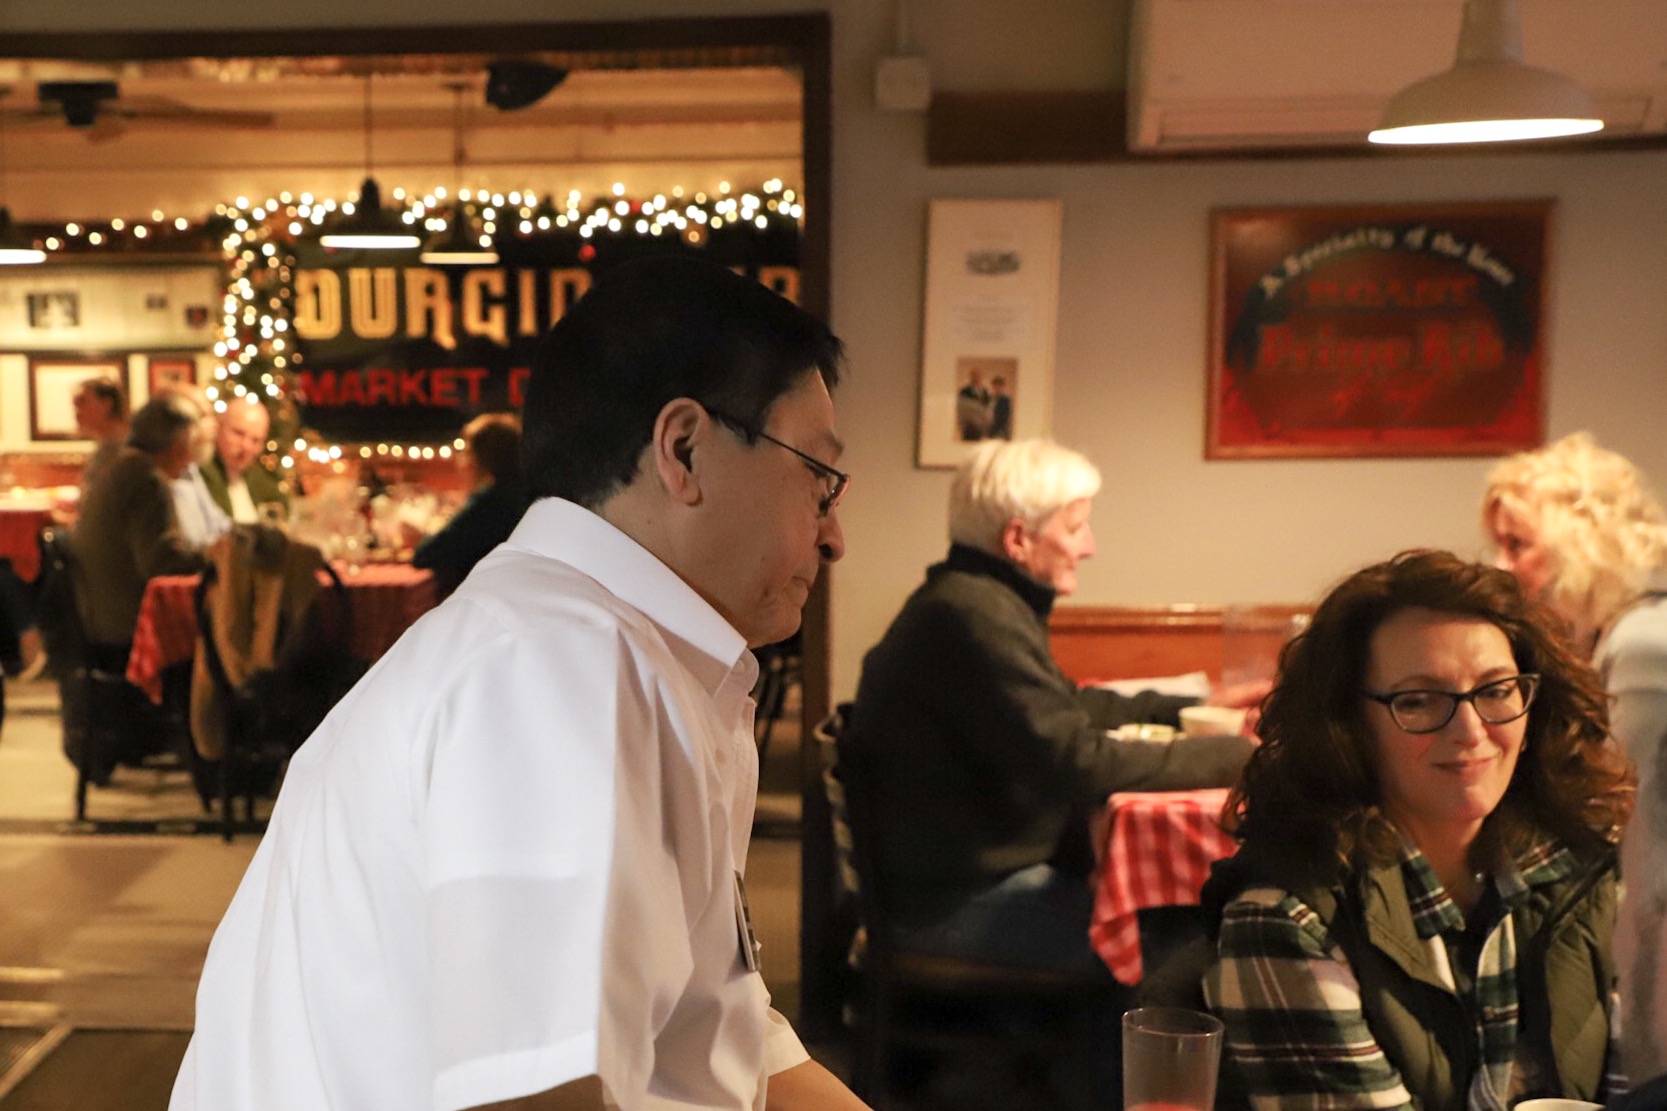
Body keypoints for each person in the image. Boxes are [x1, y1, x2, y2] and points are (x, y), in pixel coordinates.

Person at [171, 255, 870, 1110]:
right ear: (683, 449)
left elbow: (719, 1029)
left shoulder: (617, 653)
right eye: (819, 479)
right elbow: (531, 1094)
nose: (834, 537)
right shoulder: (558, 668)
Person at [1200, 549, 1633, 1110]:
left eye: (1496, 690)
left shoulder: (1584, 865)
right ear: (1348, 726)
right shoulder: (1286, 918)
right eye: (1419, 701)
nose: (1470, 731)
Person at [842, 438, 1256, 977]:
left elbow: (1069, 702)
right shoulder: (974, 615)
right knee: (1182, 938)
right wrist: (1239, 756)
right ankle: (1100, 1038)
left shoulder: (972, 598)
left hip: (948, 882)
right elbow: (1079, 763)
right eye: (1076, 527)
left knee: (1175, 917)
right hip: (950, 905)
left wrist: (1197, 706)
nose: (1089, 546)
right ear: (1018, 539)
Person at [1484, 431, 1667, 1085]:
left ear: (1580, 541)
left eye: (1517, 544)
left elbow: (1625, 829)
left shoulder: (1643, 643)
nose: (1499, 566)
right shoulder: (1625, 631)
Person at [69, 397, 207, 664]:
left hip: (98, 618)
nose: (191, 457)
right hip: (126, 630)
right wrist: (215, 555)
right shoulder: (146, 479)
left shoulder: (120, 468)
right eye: (191, 445)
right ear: (177, 445)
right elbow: (161, 563)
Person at [412, 411, 528, 597]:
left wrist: (426, 533)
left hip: (486, 598)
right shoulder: (527, 495)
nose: (463, 462)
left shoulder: (491, 501)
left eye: (467, 452)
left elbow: (427, 554)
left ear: (483, 457)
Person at [154, 384, 233, 548]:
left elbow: (219, 524)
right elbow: (186, 544)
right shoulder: (157, 477)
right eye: (203, 416)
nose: (214, 424)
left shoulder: (190, 467)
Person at [198, 395, 287, 523]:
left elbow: (282, 509)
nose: (246, 446)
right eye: (238, 433)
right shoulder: (201, 472)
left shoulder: (257, 476)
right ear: (218, 427)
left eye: (256, 440)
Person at [73, 374, 129, 492]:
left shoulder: (123, 450)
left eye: (83, 403)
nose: (77, 413)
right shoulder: (104, 447)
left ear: (106, 404)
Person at [955, 367, 992, 441]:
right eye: (974, 375)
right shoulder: (964, 391)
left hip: (983, 425)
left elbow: (988, 408)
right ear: (971, 377)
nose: (976, 378)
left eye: (978, 376)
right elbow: (961, 408)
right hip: (969, 425)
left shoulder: (985, 392)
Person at [988, 375, 1013, 440]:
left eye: (999, 386)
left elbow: (1005, 417)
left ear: (1002, 387)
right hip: (990, 430)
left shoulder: (1005, 400)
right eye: (995, 386)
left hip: (1001, 430)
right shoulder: (990, 398)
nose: (997, 388)